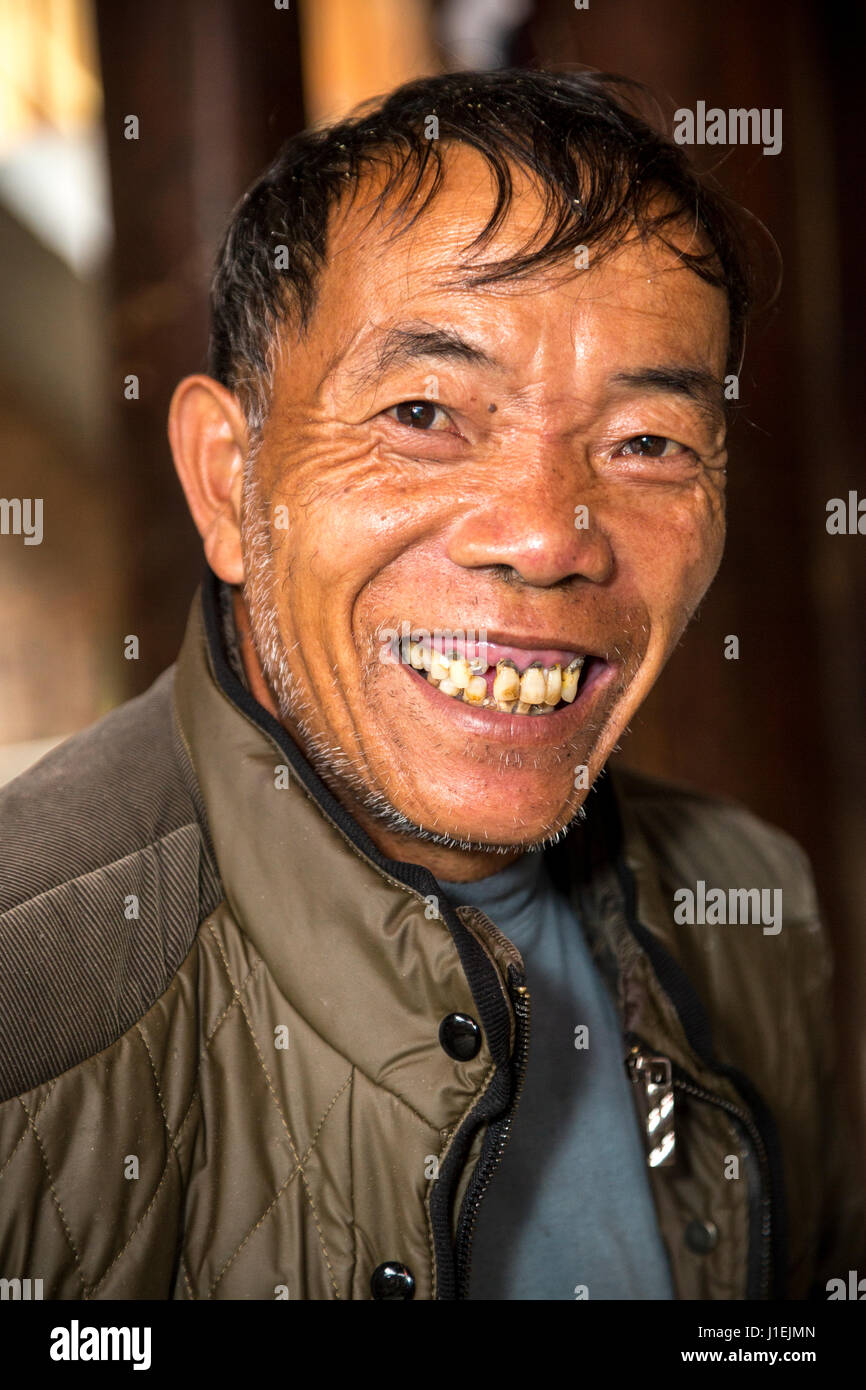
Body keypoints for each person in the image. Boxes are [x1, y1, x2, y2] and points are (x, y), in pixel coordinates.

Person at [0, 69, 861, 1301]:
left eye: (645, 444)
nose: (547, 535)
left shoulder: (746, 894)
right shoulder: (31, 1005)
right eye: (423, 411)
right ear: (228, 482)